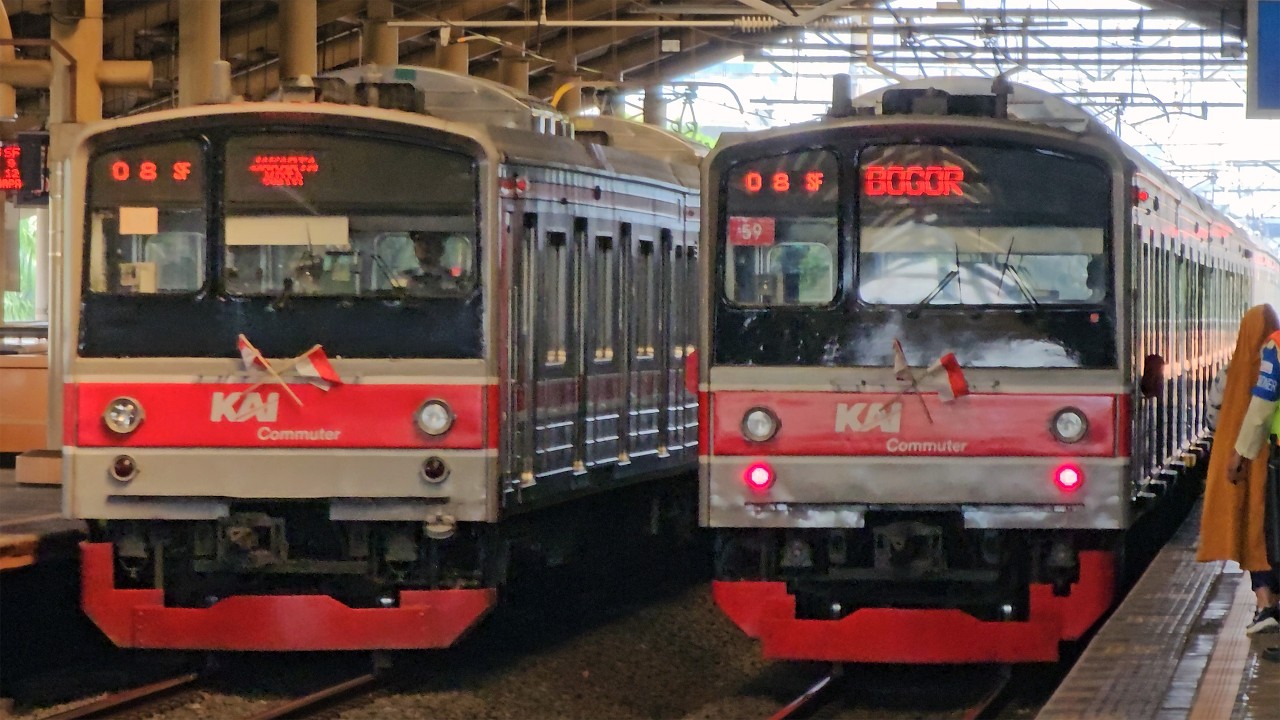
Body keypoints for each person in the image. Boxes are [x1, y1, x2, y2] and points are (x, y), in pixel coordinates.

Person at [1215, 305, 1280, 658]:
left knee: (1264, 532)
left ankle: (1265, 604)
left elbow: (1262, 404)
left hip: (1267, 458)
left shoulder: (1271, 351)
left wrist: (1238, 451)